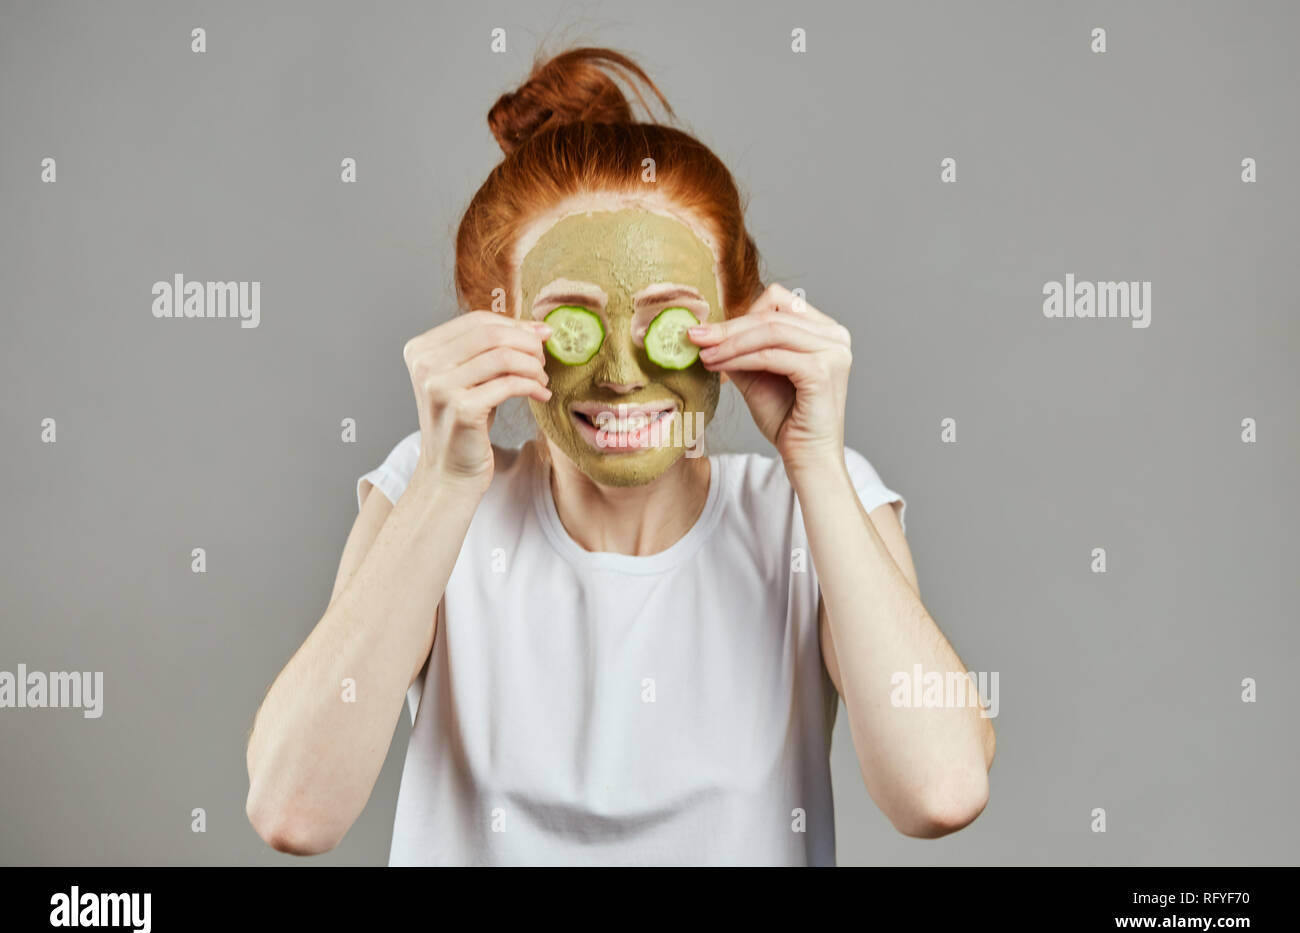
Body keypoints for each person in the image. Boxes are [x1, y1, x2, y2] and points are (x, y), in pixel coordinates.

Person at [244, 47, 995, 865]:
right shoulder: (433, 494)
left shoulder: (810, 507)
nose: (622, 374)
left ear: (737, 320)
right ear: (494, 325)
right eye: (575, 320)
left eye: (668, 321)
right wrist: (444, 480)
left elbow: (941, 792)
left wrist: (814, 459)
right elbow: (291, 812)